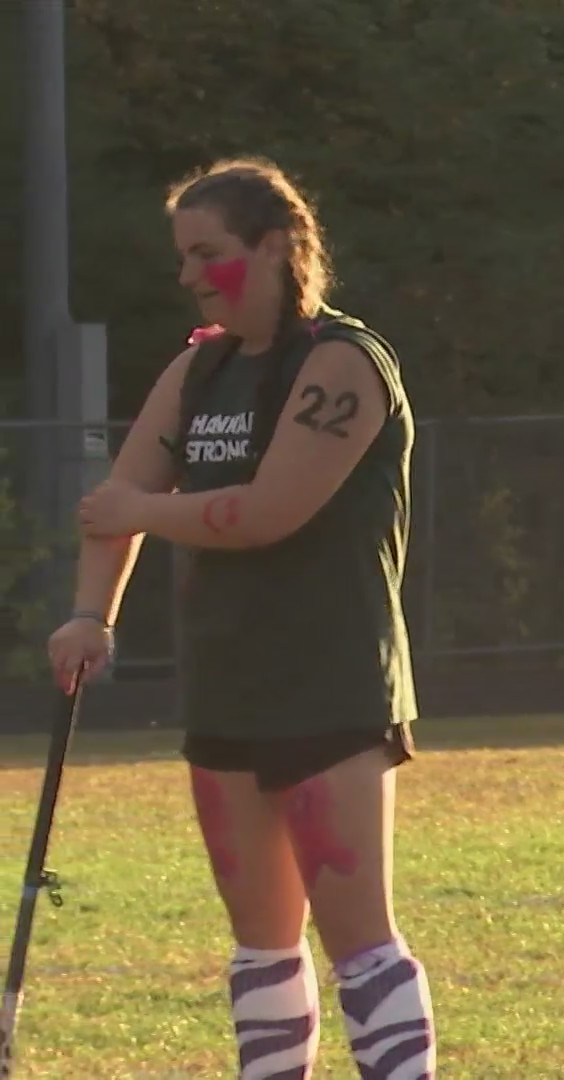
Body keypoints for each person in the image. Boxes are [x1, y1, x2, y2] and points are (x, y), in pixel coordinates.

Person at [47, 157, 435, 1080]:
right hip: (227, 685)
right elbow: (120, 494)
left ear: (276, 247)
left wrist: (139, 515)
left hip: (331, 686)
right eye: (183, 256)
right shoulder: (199, 368)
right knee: (260, 946)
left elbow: (269, 511)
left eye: (207, 253)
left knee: (359, 942)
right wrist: (87, 615)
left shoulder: (342, 362)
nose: (188, 275)